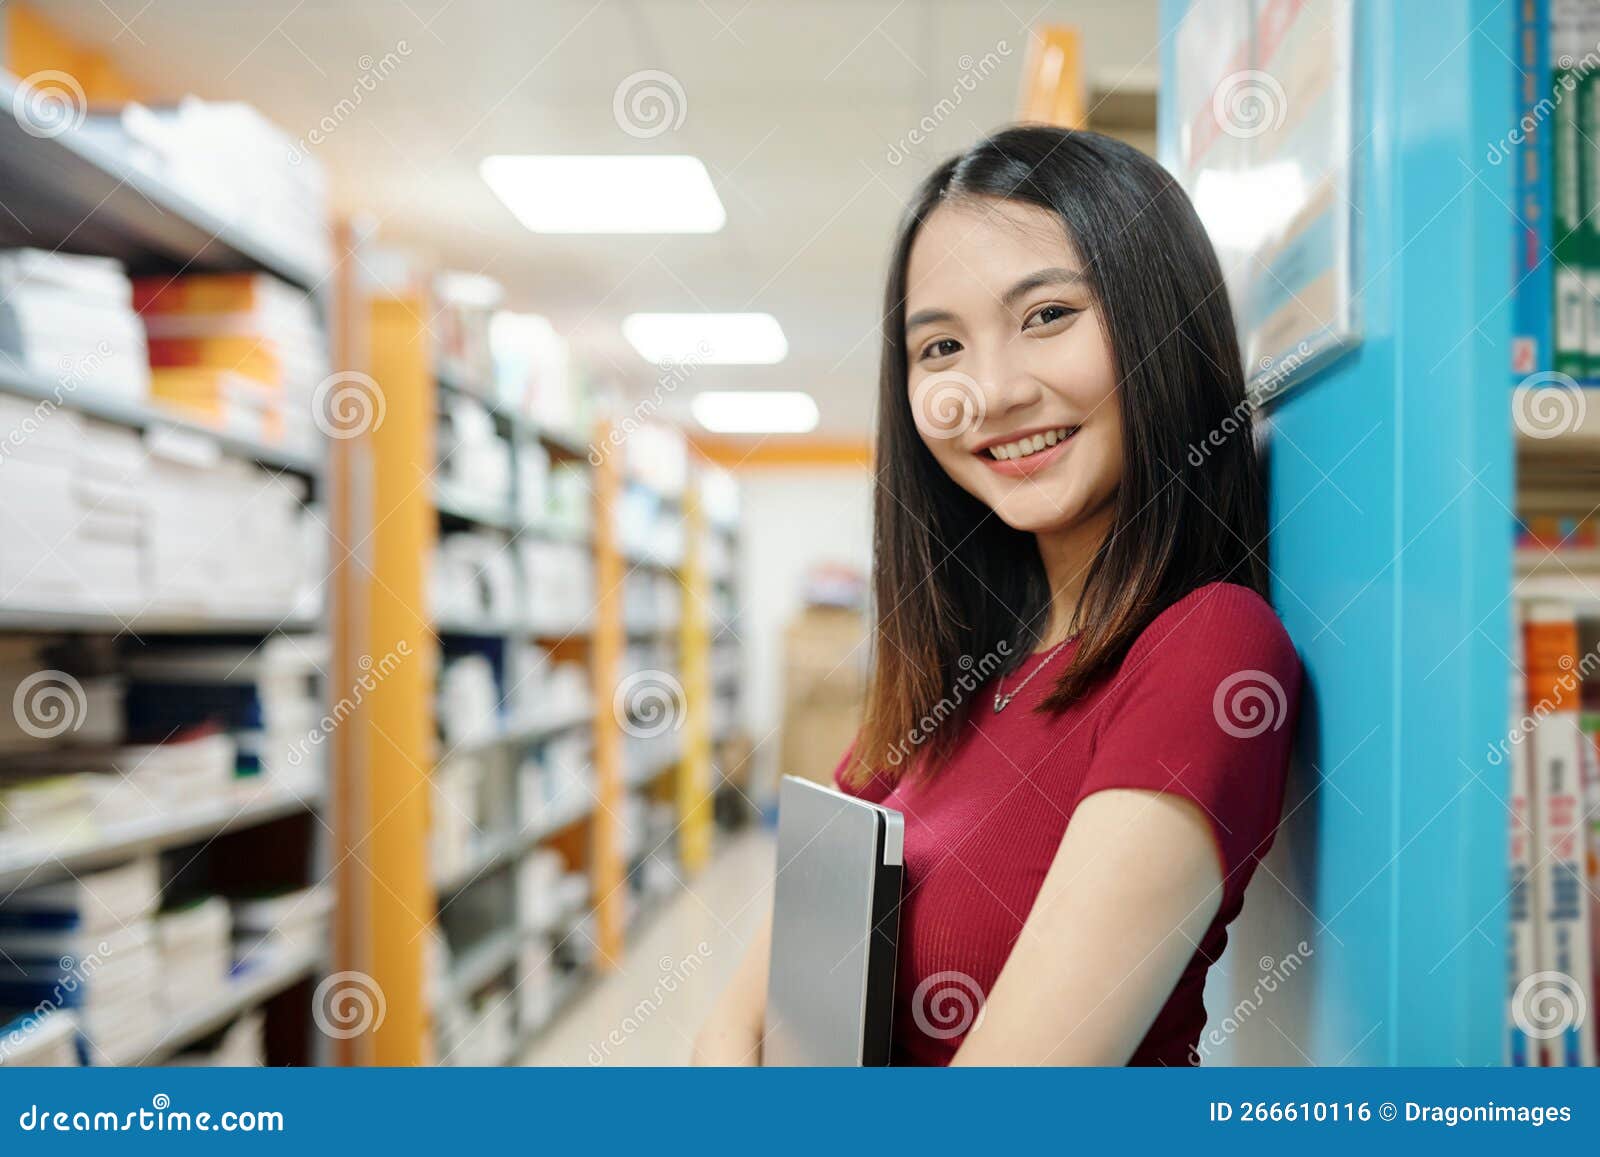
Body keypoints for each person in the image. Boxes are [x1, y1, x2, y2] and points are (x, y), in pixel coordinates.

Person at [694, 125, 1302, 1066]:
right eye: (941, 345)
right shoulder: (951, 676)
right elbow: (736, 1024)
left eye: (1049, 315)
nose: (990, 392)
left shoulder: (1206, 649)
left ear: (1160, 319)